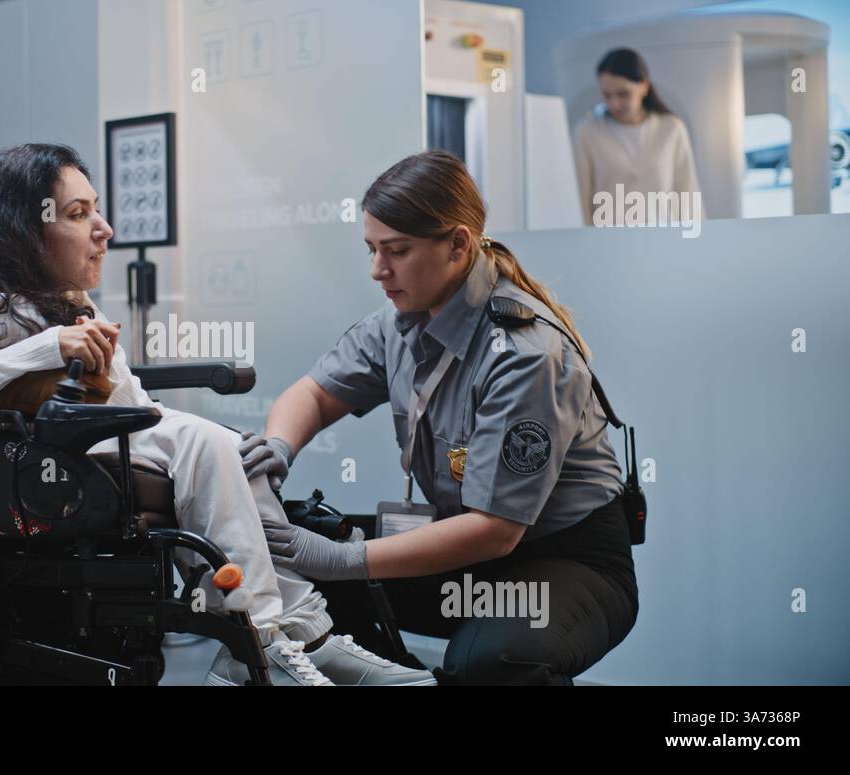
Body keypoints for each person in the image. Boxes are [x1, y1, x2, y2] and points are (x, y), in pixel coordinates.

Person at [0, 143, 436, 686]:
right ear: (23, 224)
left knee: (230, 449)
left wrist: (211, 438)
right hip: (33, 449)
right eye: (78, 214)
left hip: (100, 431)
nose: (104, 229)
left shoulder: (67, 294)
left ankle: (305, 635)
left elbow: (128, 395)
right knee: (206, 446)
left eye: (96, 210)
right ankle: (261, 642)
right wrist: (48, 347)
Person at [249, 150, 639, 684]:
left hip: (563, 562)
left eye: (397, 251)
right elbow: (314, 395)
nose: (376, 270)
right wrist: (279, 446)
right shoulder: (400, 321)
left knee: (488, 663)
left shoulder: (523, 353)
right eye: (371, 249)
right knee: (290, 569)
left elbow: (496, 530)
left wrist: (342, 558)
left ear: (458, 244)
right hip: (467, 548)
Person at [572, 47, 704, 225]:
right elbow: (581, 198)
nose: (614, 103)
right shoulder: (587, 132)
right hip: (608, 244)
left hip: (664, 240)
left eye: (623, 94)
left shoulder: (672, 128)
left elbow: (688, 192)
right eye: (607, 95)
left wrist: (697, 243)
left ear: (644, 85)